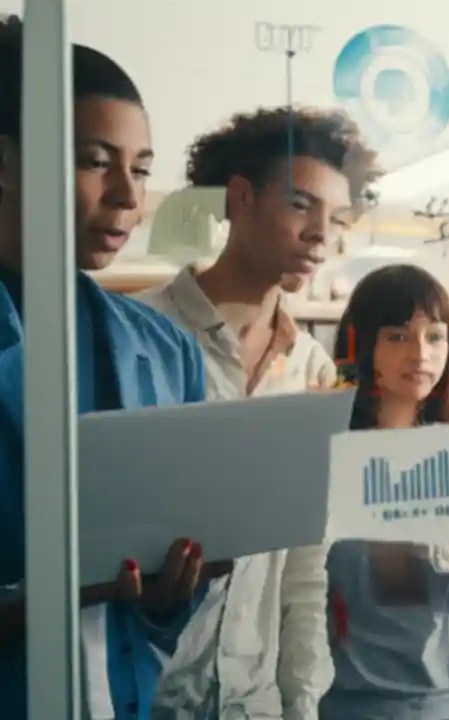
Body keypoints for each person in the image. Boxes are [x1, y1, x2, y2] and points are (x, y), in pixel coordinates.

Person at [135, 107, 379, 719]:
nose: (322, 234)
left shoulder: (314, 370)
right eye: (301, 206)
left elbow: (306, 559)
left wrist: (300, 701)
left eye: (335, 218)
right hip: (142, 692)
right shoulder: (140, 334)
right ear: (241, 198)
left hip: (256, 700)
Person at [0, 20, 213, 720]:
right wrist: (41, 601)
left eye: (142, 168)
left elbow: (166, 604)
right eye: (96, 160)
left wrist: (167, 595)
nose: (128, 196)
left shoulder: (167, 348)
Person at [320, 265, 449, 720]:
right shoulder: (327, 456)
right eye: (397, 336)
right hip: (352, 707)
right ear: (361, 344)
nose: (421, 354)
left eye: (435, 336)